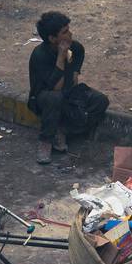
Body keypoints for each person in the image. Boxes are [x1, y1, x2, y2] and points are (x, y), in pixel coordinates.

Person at [27, 11, 110, 164]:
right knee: (54, 97)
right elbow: (55, 88)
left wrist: (74, 70)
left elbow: (75, 73)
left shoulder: (75, 48)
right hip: (45, 99)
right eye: (65, 32)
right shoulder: (40, 55)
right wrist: (61, 57)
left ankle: (64, 130)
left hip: (68, 92)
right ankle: (46, 140)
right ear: (52, 39)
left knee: (100, 101)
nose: (70, 34)